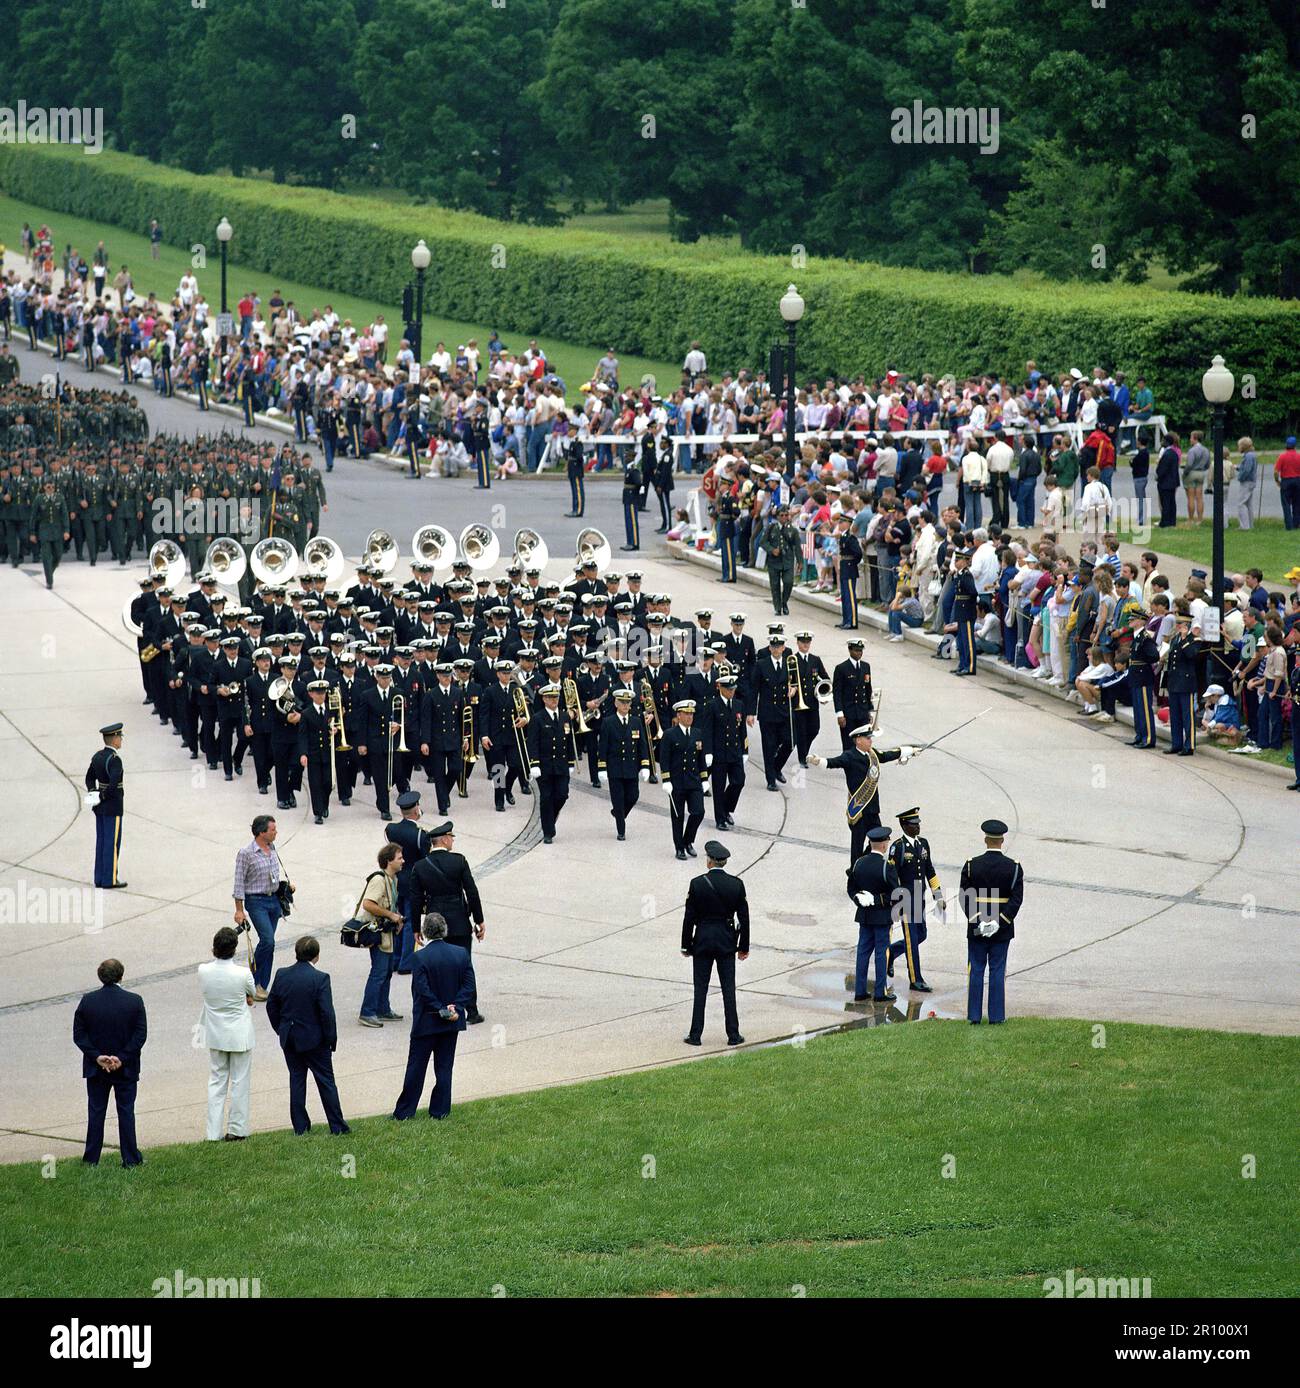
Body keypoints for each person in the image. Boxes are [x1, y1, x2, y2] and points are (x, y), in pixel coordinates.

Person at [392, 913, 476, 1121]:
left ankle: (405, 1111)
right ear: (445, 929)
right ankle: (440, 1110)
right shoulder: (460, 953)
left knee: (416, 1067)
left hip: (427, 1021)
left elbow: (421, 989)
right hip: (452, 1020)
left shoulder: (420, 957)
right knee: (445, 1067)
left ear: (426, 932)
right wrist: (454, 1007)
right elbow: (469, 986)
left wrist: (440, 1009)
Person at [265, 935, 350, 1136]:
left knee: (297, 1080)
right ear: (316, 956)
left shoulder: (282, 974)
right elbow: (327, 1013)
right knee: (326, 1082)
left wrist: (282, 1028)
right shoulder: (320, 978)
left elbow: (272, 1006)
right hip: (315, 1041)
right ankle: (337, 1126)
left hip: (290, 1038)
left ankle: (301, 1127)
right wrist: (331, 1039)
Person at [408, 821, 486, 1023]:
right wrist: (479, 920)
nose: (452, 841)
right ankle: (471, 1009)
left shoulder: (420, 866)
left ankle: (441, 1007)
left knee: (436, 965)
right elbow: (472, 892)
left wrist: (416, 927)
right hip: (460, 921)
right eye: (451, 837)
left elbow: (415, 900)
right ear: (443, 839)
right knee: (464, 964)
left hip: (435, 923)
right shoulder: (459, 861)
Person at [73, 958, 146, 1167]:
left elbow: (79, 1035)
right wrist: (121, 1058)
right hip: (126, 1068)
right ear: (121, 975)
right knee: (126, 1111)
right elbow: (140, 1036)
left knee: (96, 1112)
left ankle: (91, 1159)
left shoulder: (88, 1001)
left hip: (97, 1068)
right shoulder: (134, 1001)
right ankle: (131, 1158)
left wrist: (96, 1056)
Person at [809, 724, 919, 861]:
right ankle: (855, 872)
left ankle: (865, 861)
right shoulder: (849, 756)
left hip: (872, 808)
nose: (870, 741)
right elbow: (834, 762)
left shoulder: (873, 754)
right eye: (868, 738)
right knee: (857, 845)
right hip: (859, 809)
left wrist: (910, 751)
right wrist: (819, 761)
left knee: (880, 838)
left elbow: (888, 755)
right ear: (858, 740)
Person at [681, 840, 750, 1046]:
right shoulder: (736, 885)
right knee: (729, 989)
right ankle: (733, 1034)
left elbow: (689, 918)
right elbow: (744, 919)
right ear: (724, 862)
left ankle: (695, 1035)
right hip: (726, 942)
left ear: (710, 862)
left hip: (702, 940)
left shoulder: (697, 883)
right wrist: (743, 947)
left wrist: (686, 945)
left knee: (700, 989)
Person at [960, 819, 1024, 1024]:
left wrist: (978, 922)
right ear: (1002, 840)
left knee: (976, 970)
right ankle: (996, 1017)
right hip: (1002, 930)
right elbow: (1016, 899)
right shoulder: (1013, 867)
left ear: (985, 839)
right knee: (997, 971)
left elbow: (965, 897)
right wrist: (999, 922)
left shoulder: (972, 865)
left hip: (977, 929)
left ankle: (974, 1016)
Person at [197, 926, 257, 1142]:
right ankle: (237, 1129)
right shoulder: (242, 973)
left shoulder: (203, 970)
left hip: (216, 1034)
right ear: (234, 949)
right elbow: (252, 993)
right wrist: (247, 998)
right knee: (240, 1082)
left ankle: (212, 1133)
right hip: (239, 1034)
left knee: (216, 1082)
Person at [232, 814, 291, 1000]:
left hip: (273, 900)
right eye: (272, 829)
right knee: (268, 941)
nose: (276, 832)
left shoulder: (272, 848)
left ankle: (262, 985)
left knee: (269, 944)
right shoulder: (246, 853)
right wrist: (239, 909)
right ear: (261, 832)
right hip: (256, 901)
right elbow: (239, 882)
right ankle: (251, 982)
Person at [886, 808, 944, 992]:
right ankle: (915, 979)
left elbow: (930, 870)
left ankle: (892, 953)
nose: (917, 827)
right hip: (905, 899)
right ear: (904, 826)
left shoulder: (923, 844)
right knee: (911, 940)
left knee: (921, 934)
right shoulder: (898, 847)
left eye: (918, 823)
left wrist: (938, 894)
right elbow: (891, 875)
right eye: (913, 824)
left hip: (919, 897)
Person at [355, 842, 406, 1027]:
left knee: (386, 973)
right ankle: (367, 1012)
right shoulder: (379, 880)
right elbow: (368, 904)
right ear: (388, 860)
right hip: (379, 935)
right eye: (399, 858)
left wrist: (397, 919)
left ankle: (383, 1008)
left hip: (389, 933)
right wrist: (391, 915)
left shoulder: (393, 879)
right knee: (378, 973)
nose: (403, 861)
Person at [846, 825, 898, 1002]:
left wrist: (858, 898)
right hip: (882, 918)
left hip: (864, 916)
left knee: (863, 952)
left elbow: (851, 888)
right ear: (883, 845)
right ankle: (880, 992)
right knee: (881, 954)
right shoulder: (886, 867)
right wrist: (877, 900)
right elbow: (896, 894)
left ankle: (860, 991)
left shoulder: (859, 863)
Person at [596, 687, 650, 840]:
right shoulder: (608, 722)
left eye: (628, 703)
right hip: (615, 768)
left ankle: (618, 814)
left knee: (633, 796)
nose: (625, 706)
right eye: (622, 702)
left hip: (631, 767)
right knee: (618, 800)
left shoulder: (636, 721)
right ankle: (621, 829)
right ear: (616, 703)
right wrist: (602, 767)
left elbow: (642, 745)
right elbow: (603, 747)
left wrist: (645, 765)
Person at [386, 790, 430, 972]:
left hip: (396, 880)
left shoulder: (391, 829)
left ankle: (395, 959)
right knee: (411, 920)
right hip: (413, 882)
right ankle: (406, 962)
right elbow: (424, 861)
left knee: (397, 919)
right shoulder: (421, 835)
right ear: (416, 810)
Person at [526, 681, 574, 844]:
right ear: (544, 699)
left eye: (556, 697)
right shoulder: (537, 718)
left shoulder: (565, 716)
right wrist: (534, 763)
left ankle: (549, 819)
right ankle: (548, 831)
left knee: (562, 794)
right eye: (550, 697)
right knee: (546, 797)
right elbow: (532, 743)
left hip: (561, 765)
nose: (554, 700)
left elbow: (569, 741)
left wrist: (571, 761)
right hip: (544, 765)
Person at [661, 698, 709, 860]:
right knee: (678, 816)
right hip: (677, 783)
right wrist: (666, 780)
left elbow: (700, 759)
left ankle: (688, 840)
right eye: (686, 714)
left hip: (693, 781)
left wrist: (704, 778)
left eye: (691, 714)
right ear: (679, 715)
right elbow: (664, 759)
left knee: (699, 812)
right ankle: (679, 847)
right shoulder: (669, 734)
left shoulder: (697, 733)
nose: (690, 717)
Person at [85, 721, 127, 889]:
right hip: (113, 805)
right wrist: (103, 795)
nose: (121, 740)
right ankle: (110, 879)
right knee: (112, 842)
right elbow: (114, 783)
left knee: (102, 840)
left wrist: (93, 792)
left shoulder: (98, 756)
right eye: (120, 737)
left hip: (100, 806)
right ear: (115, 739)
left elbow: (89, 778)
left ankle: (100, 877)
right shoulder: (115, 759)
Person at [1162, 612, 1199, 756]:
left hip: (1186, 682)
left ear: (1187, 625)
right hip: (1174, 681)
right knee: (1175, 715)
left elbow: (1191, 655)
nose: (1177, 626)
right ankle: (1176, 743)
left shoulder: (1194, 639)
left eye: (1180, 624)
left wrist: (1184, 639)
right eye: (1177, 624)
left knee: (1187, 715)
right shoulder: (1174, 639)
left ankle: (1189, 745)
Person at [762, 505, 799, 616]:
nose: (784, 517)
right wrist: (772, 550)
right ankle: (777, 607)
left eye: (786, 515)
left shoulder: (792, 530)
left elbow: (797, 546)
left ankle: (784, 602)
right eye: (781, 515)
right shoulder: (771, 528)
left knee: (788, 582)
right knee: (775, 585)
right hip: (774, 561)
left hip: (787, 561)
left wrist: (800, 561)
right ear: (777, 516)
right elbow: (763, 542)